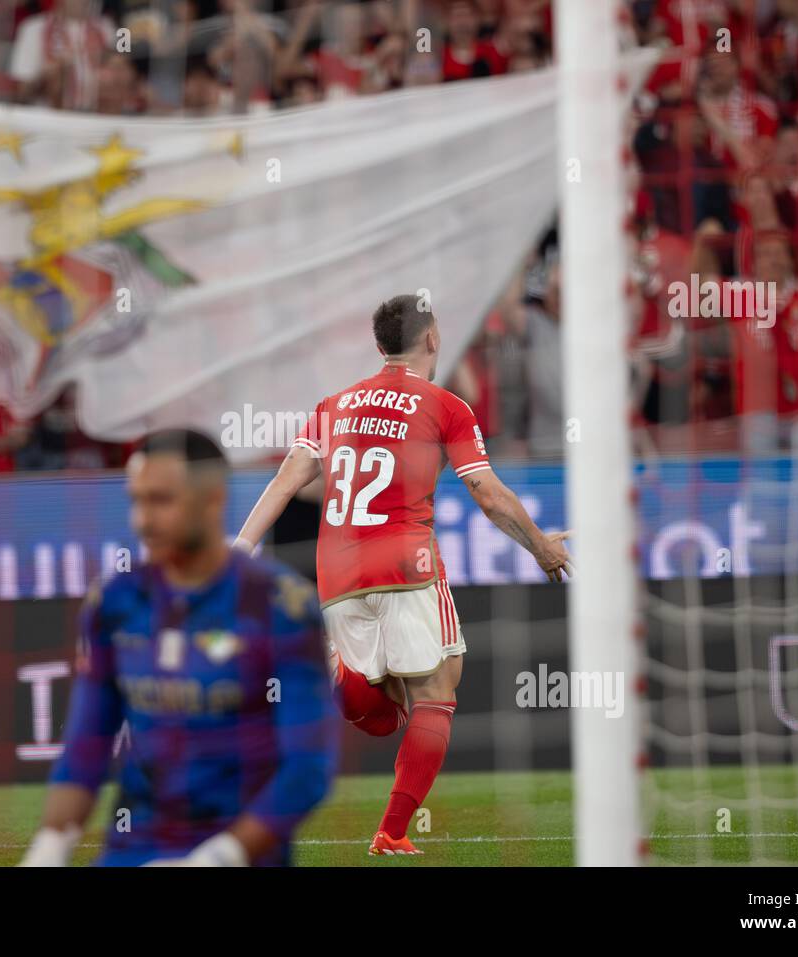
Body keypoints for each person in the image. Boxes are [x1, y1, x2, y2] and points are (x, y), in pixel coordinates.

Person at [234, 293, 571, 856]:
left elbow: (284, 483)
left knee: (385, 715)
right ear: (433, 339)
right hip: (405, 564)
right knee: (438, 692)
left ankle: (337, 672)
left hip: (336, 575)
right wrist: (540, 546)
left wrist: (242, 548)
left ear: (379, 346)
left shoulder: (333, 405)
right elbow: (487, 496)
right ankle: (391, 831)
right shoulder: (446, 406)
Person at [20, 429, 337, 867]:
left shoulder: (283, 607)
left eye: (161, 501)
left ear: (213, 501)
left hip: (241, 854)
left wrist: (219, 858)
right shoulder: (114, 603)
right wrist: (49, 848)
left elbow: (307, 770)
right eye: (138, 500)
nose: (143, 521)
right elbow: (86, 748)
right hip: (135, 852)